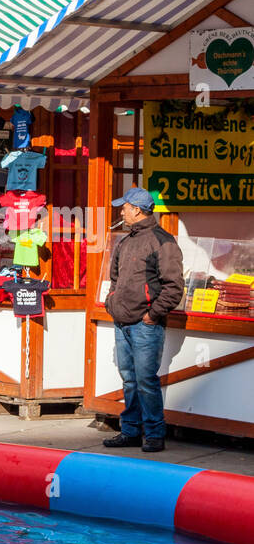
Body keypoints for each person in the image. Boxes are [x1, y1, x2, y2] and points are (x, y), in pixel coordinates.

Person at [102, 187, 184, 453]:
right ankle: (131, 431)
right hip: (123, 321)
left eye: (124, 207)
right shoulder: (126, 241)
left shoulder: (163, 240)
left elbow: (174, 287)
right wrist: (111, 302)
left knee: (146, 380)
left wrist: (152, 315)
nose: (121, 211)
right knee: (129, 378)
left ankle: (154, 435)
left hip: (145, 325)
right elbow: (115, 278)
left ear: (137, 210)